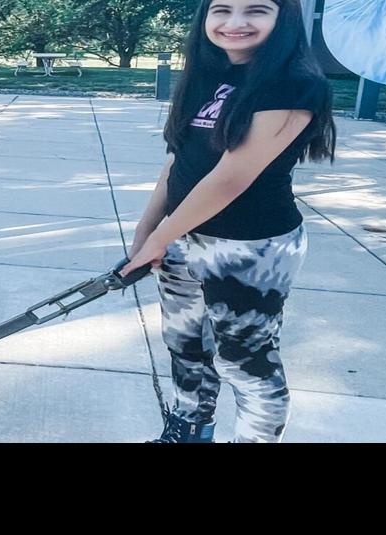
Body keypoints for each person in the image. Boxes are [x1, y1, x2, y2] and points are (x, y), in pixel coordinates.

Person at [122, 0, 336, 443]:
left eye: (256, 10)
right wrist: (147, 231)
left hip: (250, 246)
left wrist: (160, 237)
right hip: (181, 236)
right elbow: (177, 161)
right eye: (222, 9)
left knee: (245, 363)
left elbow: (231, 178)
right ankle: (188, 434)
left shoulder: (295, 84)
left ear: (282, 18)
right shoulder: (207, 73)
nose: (235, 22)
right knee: (186, 347)